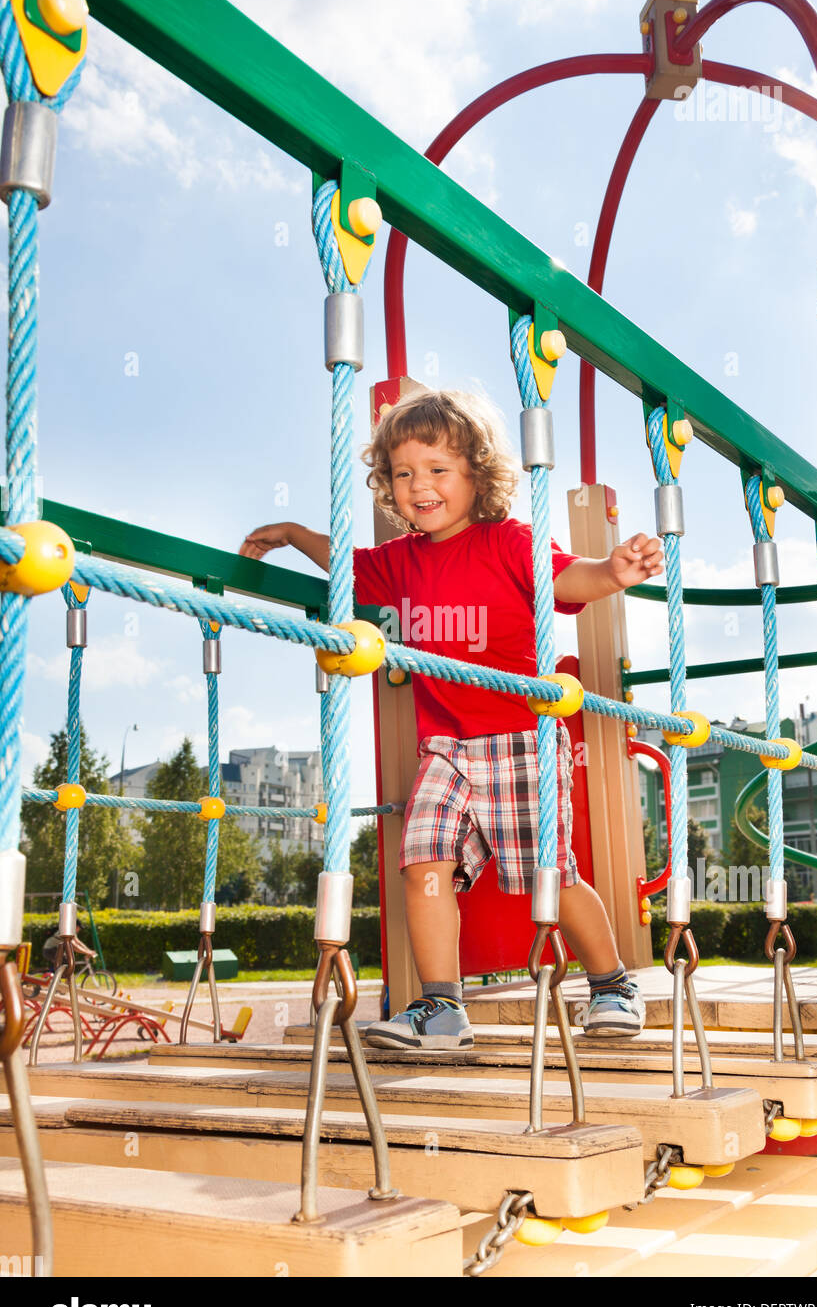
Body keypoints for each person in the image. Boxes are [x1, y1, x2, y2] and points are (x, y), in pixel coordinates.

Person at [240, 389, 663, 1051]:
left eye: (437, 469)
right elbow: (346, 563)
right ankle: (441, 1007)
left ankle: (611, 984)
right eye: (403, 473)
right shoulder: (401, 561)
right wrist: (294, 535)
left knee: (553, 876)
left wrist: (612, 571)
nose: (419, 486)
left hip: (522, 738)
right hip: (448, 746)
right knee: (423, 863)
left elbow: (565, 580)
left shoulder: (509, 541)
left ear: (477, 473)